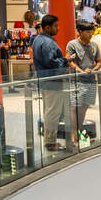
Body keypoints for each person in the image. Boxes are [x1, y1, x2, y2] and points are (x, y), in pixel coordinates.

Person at [31, 13, 70, 151]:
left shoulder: (38, 39)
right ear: (47, 27)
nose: (58, 28)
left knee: (49, 111)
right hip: (53, 81)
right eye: (55, 26)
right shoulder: (47, 43)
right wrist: (66, 60)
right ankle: (50, 142)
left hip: (45, 81)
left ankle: (49, 140)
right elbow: (52, 63)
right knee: (53, 113)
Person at [65, 18, 101, 138]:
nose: (90, 34)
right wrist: (81, 72)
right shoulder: (72, 44)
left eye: (92, 32)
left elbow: (99, 62)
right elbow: (70, 61)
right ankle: (73, 134)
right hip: (77, 81)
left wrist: (93, 70)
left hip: (91, 81)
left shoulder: (94, 45)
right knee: (74, 107)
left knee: (84, 107)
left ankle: (79, 130)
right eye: (88, 32)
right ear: (80, 32)